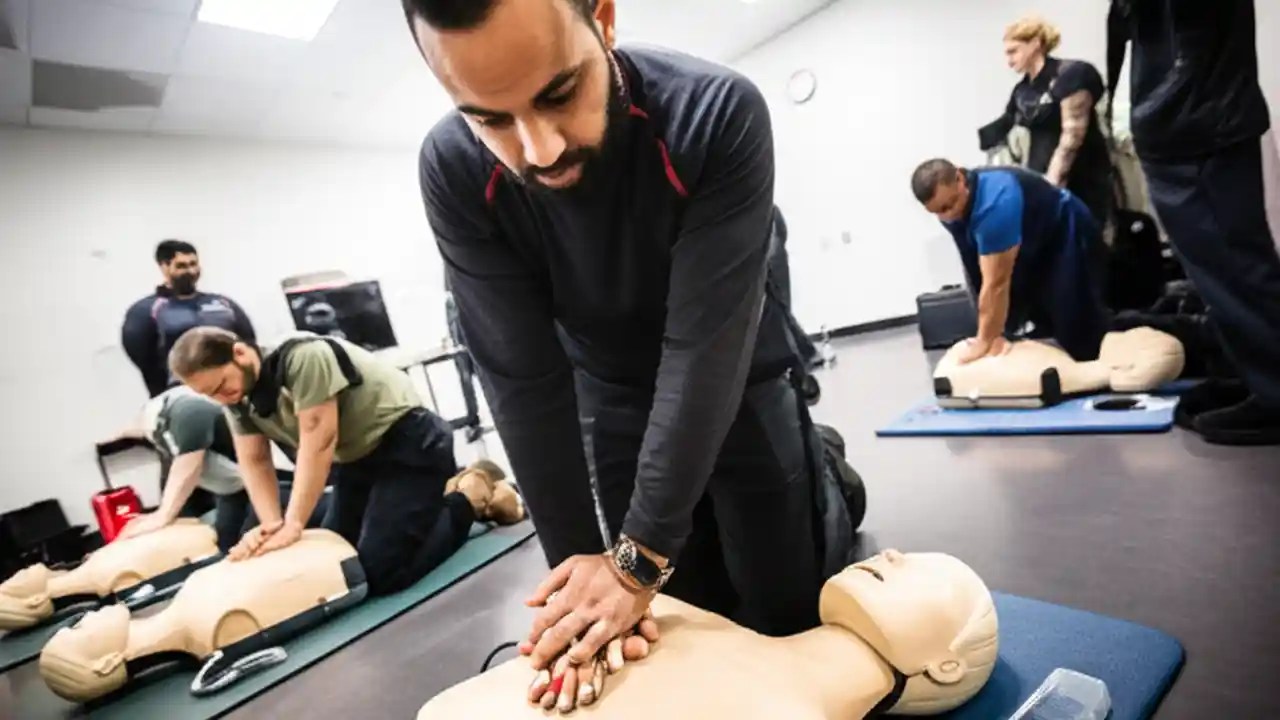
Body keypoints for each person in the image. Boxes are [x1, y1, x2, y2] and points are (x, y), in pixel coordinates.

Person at [405, 0, 855, 678]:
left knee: (784, 605)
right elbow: (523, 381)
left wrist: (638, 557)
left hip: (737, 373)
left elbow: (701, 350)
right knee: (680, 610)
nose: (540, 150)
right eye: (489, 118)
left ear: (605, 20)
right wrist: (580, 579)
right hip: (612, 390)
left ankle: (826, 471)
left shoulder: (715, 111)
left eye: (560, 93)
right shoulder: (452, 167)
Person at [167, 327, 522, 595]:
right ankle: (440, 502)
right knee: (339, 563)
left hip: (410, 443)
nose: (220, 398)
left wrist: (293, 524)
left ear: (240, 353)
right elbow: (254, 460)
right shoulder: (236, 398)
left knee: (382, 571)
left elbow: (318, 440)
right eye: (208, 395)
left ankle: (470, 497)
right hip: (359, 460)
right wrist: (272, 524)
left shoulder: (302, 357)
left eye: (220, 385)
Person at [1109, 0, 1280, 446]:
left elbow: (1194, 50)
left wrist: (1150, 116)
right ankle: (1253, 377)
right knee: (1219, 272)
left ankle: (1275, 394)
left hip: (1197, 126)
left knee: (1236, 266)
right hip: (1191, 124)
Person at [912, 158, 1109, 363]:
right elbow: (975, 268)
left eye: (951, 204)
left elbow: (996, 283)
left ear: (960, 178)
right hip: (1026, 244)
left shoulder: (994, 202)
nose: (949, 214)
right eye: (939, 211)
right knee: (1031, 322)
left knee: (1077, 326)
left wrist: (986, 339)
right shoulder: (951, 209)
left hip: (1065, 232)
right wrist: (990, 330)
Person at [979, 17, 1113, 227]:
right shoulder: (1022, 91)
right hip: (1041, 173)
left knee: (1088, 241)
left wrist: (1053, 184)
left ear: (1035, 44)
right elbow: (1003, 127)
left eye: (1013, 51)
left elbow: (1072, 138)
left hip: (1083, 176)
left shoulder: (1072, 74)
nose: (1009, 61)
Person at [114, 386, 251, 553]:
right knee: (226, 545)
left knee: (252, 538)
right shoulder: (161, 426)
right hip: (230, 489)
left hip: (260, 482)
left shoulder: (187, 412)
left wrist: (162, 515)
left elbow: (188, 465)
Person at [122, 240, 256, 398]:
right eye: (182, 266)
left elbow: (248, 341)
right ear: (164, 266)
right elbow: (142, 357)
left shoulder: (222, 303)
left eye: (194, 264)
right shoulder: (147, 310)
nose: (191, 271)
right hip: (182, 393)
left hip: (232, 388)